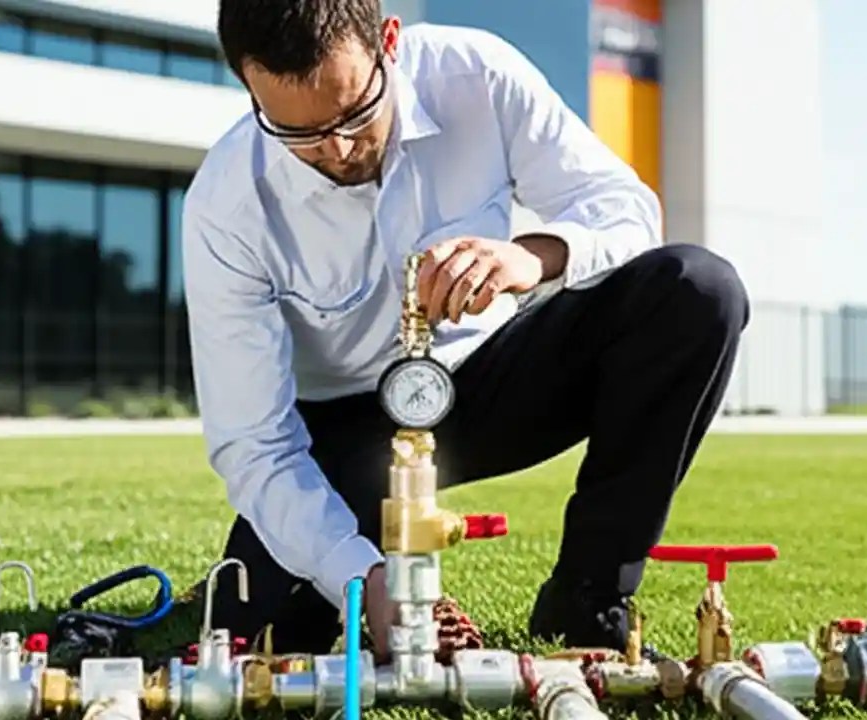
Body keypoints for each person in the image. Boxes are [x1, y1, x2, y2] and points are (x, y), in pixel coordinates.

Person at [181, 0, 749, 660]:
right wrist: (365, 580)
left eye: (355, 113)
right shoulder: (227, 205)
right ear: (249, 89)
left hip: (489, 378)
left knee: (697, 291)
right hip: (342, 436)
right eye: (297, 132)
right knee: (263, 630)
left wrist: (534, 256)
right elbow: (254, 444)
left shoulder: (477, 75)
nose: (337, 150)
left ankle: (588, 596)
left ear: (389, 42)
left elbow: (625, 210)